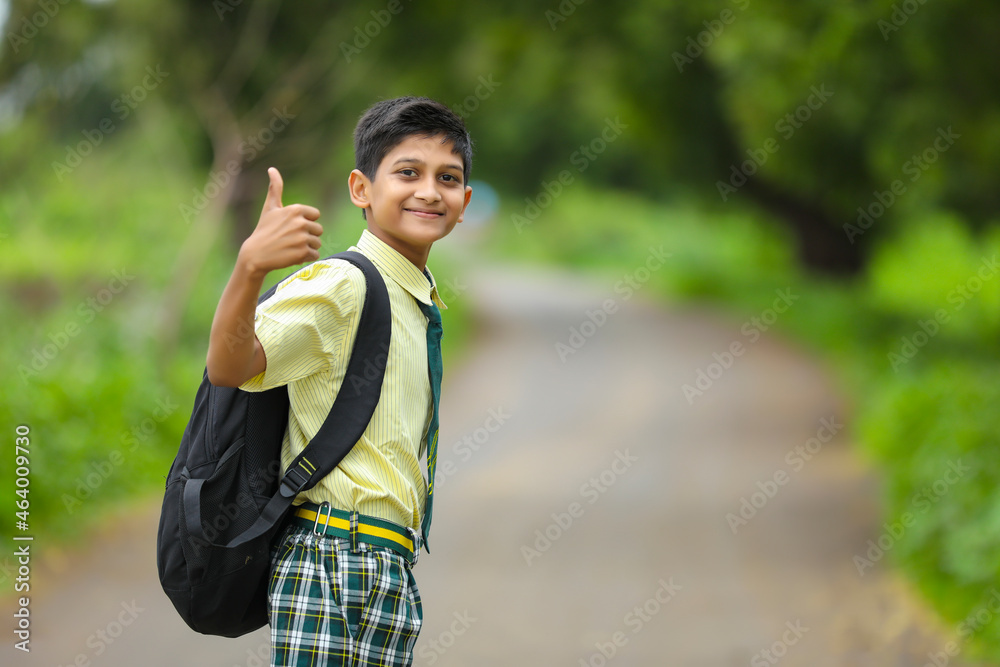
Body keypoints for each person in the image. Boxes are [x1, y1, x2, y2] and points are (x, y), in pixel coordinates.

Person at [205, 96, 473, 667]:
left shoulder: (415, 296)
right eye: (407, 172)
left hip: (386, 563)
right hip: (334, 553)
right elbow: (230, 367)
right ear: (361, 189)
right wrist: (251, 267)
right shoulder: (344, 284)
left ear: (465, 202)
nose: (429, 190)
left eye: (447, 178)